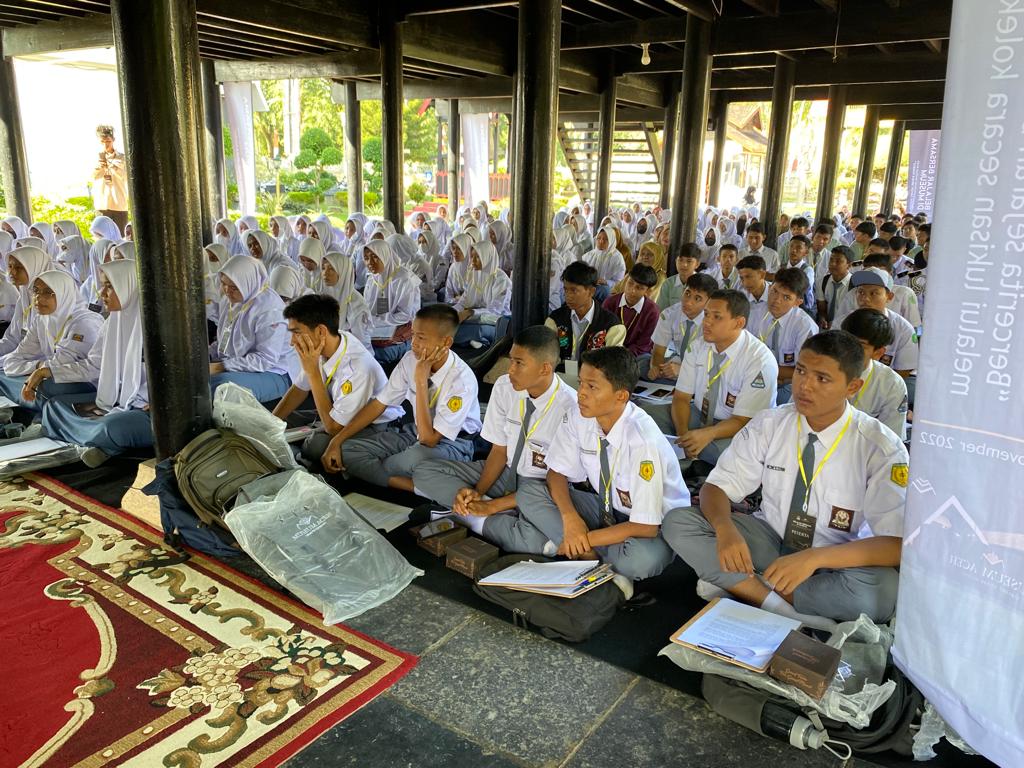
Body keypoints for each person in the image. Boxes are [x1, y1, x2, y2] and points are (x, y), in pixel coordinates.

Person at [662, 330, 909, 628]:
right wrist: (725, 530)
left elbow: (895, 544)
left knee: (885, 593)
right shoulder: (771, 423)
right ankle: (781, 607)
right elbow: (717, 487)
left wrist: (814, 559)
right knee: (679, 523)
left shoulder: (880, 446)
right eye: (801, 371)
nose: (805, 386)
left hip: (833, 560)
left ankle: (744, 585)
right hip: (770, 537)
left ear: (852, 387)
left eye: (822, 378)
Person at [487, 346, 685, 590]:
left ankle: (576, 550)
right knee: (530, 492)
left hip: (651, 527)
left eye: (592, 387)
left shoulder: (642, 441)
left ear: (621, 396)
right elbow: (556, 472)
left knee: (642, 560)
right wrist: (571, 520)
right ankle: (593, 560)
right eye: (580, 383)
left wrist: (583, 537)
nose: (580, 393)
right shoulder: (579, 416)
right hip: (606, 510)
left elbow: (645, 525)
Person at [412, 325, 576, 536]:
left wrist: (495, 505)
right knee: (424, 471)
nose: (510, 370)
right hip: (505, 472)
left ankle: (479, 518)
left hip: (539, 488)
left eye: (519, 363)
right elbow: (499, 450)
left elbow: (558, 480)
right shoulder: (504, 386)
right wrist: (478, 493)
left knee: (545, 518)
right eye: (511, 360)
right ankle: (486, 517)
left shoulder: (570, 408)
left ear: (544, 369)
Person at [321, 304, 481, 493]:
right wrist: (337, 440)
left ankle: (382, 472)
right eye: (413, 334)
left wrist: (421, 381)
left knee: (415, 458)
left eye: (421, 338)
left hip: (453, 443)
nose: (413, 343)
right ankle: (416, 486)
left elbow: (430, 440)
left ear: (446, 342)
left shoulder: (461, 380)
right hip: (414, 433)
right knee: (348, 449)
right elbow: (379, 404)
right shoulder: (410, 359)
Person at [41, 259, 153, 467]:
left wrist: (163, 401)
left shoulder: (158, 323)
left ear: (129, 285)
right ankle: (97, 445)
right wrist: (49, 371)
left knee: (111, 428)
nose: (102, 293)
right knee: (53, 406)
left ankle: (98, 443)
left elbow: (185, 376)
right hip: (116, 399)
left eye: (109, 286)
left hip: (149, 409)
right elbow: (94, 365)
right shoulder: (112, 322)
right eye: (102, 285)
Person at [272, 294, 403, 468]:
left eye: (297, 333)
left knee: (316, 446)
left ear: (320, 331)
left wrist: (313, 373)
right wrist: (270, 423)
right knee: (283, 420)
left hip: (376, 424)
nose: (291, 342)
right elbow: (299, 389)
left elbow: (334, 428)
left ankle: (299, 458)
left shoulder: (357, 368)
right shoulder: (329, 341)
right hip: (338, 410)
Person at [671, 289, 778, 468]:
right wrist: (683, 436)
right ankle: (690, 455)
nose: (706, 322)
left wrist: (708, 434)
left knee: (728, 455)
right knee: (650, 415)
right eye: (706, 314)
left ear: (739, 322)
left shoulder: (759, 360)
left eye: (717, 317)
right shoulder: (698, 346)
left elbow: (743, 421)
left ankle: (694, 460)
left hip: (740, 429)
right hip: (700, 416)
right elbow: (681, 398)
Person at [0, 269, 103, 411]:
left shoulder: (84, 322)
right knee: (9, 377)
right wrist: (39, 367)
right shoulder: (41, 319)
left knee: (43, 386)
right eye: (35, 290)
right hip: (57, 374)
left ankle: (38, 419)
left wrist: (43, 371)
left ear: (64, 294)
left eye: (48, 292)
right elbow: (13, 360)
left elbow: (63, 363)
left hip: (89, 381)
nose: (38, 298)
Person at [209, 254, 291, 402]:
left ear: (248, 283)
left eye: (234, 287)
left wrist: (221, 366)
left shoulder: (269, 310)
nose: (227, 291)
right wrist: (208, 355)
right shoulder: (231, 301)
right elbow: (226, 340)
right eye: (223, 283)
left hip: (274, 372)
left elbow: (266, 359)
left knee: (221, 387)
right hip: (239, 365)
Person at [834, 267, 918, 379]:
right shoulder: (841, 322)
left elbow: (904, 369)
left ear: (889, 297)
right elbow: (832, 357)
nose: (866, 299)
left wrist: (876, 388)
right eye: (861, 292)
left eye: (874, 293)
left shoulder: (903, 329)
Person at [545, 261, 625, 372]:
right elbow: (547, 355)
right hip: (561, 378)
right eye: (565, 289)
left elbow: (612, 365)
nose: (568, 296)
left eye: (574, 290)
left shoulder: (611, 325)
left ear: (591, 291)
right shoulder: (555, 319)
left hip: (594, 380)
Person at [840, 309, 909, 438]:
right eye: (845, 340)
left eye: (860, 345)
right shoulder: (820, 370)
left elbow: (891, 441)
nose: (848, 349)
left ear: (878, 353)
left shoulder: (892, 385)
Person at [755, 268, 818, 404]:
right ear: (770, 287)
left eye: (786, 297)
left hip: (789, 384)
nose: (776, 300)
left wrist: (768, 371)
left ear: (798, 302)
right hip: (754, 375)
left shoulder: (805, 326)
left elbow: (804, 371)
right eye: (775, 291)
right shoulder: (754, 313)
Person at [645, 273, 717, 385]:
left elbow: (711, 363)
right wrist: (655, 368)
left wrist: (682, 370)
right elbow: (658, 350)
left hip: (702, 369)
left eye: (697, 298)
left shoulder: (713, 323)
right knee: (643, 362)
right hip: (677, 361)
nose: (688, 302)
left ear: (709, 302)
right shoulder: (669, 314)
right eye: (687, 293)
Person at [362, 239, 422, 369]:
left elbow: (406, 316)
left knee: (374, 354)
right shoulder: (372, 279)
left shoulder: (404, 279)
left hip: (403, 333)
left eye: (375, 257)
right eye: (366, 258)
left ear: (385, 255)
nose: (369, 263)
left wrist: (375, 321)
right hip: (377, 330)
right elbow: (366, 309)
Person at [452, 240, 512, 348]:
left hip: (496, 322)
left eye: (477, 257)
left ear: (487, 257)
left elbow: (496, 311)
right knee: (450, 324)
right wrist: (452, 313)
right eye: (471, 256)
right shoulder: (474, 275)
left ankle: (476, 341)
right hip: (474, 318)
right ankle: (469, 341)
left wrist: (470, 312)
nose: (473, 261)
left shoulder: (500, 279)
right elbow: (463, 301)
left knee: (478, 330)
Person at [0, 245, 52, 361]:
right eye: (10, 266)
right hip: (23, 357)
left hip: (43, 363)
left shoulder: (51, 300)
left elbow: (38, 349)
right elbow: (11, 339)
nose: (12, 272)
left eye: (19, 267)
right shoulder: (24, 296)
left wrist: (6, 361)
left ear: (34, 267)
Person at [318, 246, 372, 350]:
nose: (325, 273)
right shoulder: (322, 296)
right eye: (323, 268)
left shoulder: (355, 303)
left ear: (343, 272)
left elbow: (360, 341)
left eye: (331, 269)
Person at [601, 264, 660, 357]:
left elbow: (644, 345)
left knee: (645, 358)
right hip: (608, 352)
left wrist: (622, 356)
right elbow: (601, 333)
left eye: (639, 288)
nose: (632, 290)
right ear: (625, 280)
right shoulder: (610, 302)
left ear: (648, 292)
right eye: (630, 283)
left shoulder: (652, 311)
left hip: (634, 356)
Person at [862, 252, 921, 329]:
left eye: (880, 273)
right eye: (869, 272)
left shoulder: (904, 293)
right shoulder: (857, 292)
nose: (874, 277)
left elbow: (914, 325)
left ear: (890, 273)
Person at [92, 125, 129, 233]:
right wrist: (100, 166)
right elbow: (92, 177)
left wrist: (113, 166)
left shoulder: (122, 158)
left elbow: (125, 176)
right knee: (102, 238)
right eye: (102, 142)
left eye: (108, 141)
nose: (105, 144)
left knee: (121, 236)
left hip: (119, 204)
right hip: (101, 204)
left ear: (113, 140)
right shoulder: (95, 159)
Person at [582, 225, 626, 302]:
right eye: (599, 238)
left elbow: (620, 282)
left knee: (603, 290)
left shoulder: (617, 258)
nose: (601, 241)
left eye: (605, 239)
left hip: (607, 290)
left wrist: (606, 282)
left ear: (611, 240)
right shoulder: (589, 255)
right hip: (589, 286)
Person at [815, 245, 855, 329]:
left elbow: (854, 313)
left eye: (838, 261)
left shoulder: (854, 286)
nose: (833, 264)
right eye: (831, 260)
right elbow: (822, 309)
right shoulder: (823, 281)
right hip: (827, 327)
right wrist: (823, 318)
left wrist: (837, 324)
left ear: (849, 265)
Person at [656, 243, 700, 310]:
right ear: (676, 261)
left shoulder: (702, 284)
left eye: (689, 261)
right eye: (680, 260)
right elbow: (661, 310)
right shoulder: (668, 283)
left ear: (697, 264)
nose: (684, 264)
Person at [737, 255, 771, 334]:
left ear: (762, 275)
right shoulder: (740, 297)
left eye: (748, 277)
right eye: (742, 278)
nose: (745, 283)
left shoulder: (777, 296)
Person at [785, 235, 817, 312]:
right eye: (791, 246)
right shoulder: (782, 267)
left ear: (806, 252)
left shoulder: (807, 271)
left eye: (798, 248)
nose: (793, 250)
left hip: (803, 309)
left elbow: (801, 291)